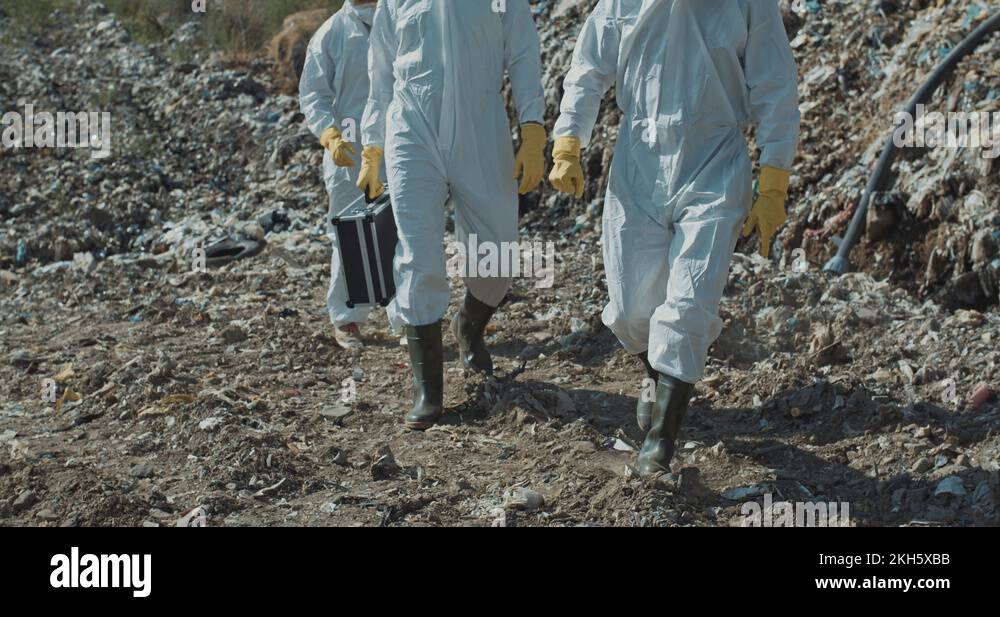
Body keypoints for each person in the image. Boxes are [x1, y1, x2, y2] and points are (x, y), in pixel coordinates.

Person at [549, 0, 801, 474]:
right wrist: (569, 137)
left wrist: (773, 180)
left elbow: (775, 85)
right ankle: (656, 375)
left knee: (689, 302)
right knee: (630, 309)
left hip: (714, 160)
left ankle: (661, 440)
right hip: (638, 159)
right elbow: (589, 65)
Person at [347, 0, 547, 430]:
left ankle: (469, 329)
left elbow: (524, 53)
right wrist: (372, 145)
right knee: (420, 257)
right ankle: (428, 389)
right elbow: (381, 72)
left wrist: (533, 125)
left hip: (482, 127)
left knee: (498, 257)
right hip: (412, 131)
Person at [299, 0, 383, 350]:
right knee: (350, 230)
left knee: (405, 226)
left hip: (395, 140)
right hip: (348, 147)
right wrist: (329, 135)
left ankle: (409, 316)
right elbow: (313, 94)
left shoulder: (400, 16)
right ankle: (347, 320)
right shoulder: (330, 33)